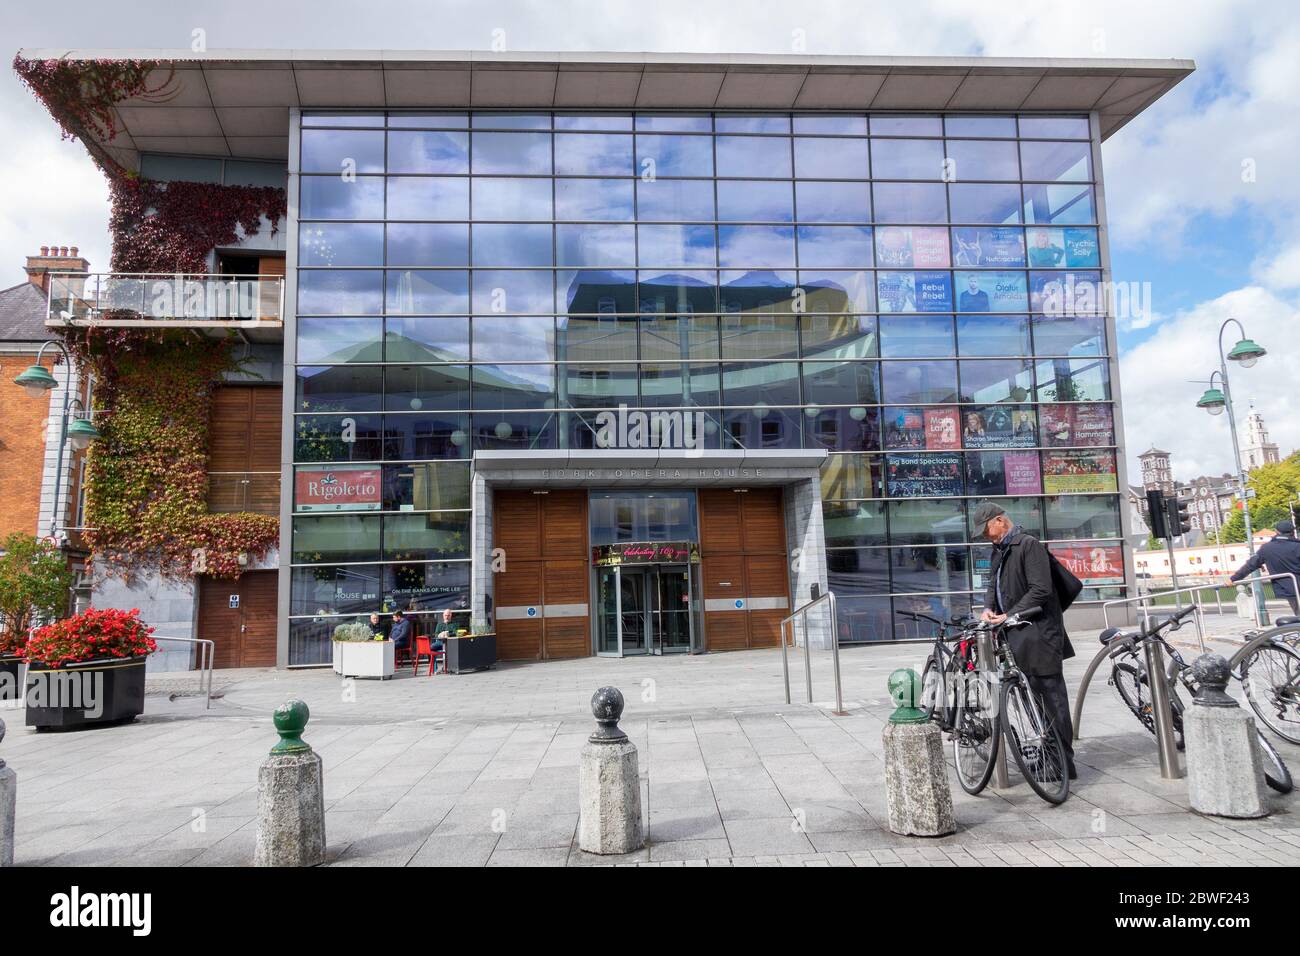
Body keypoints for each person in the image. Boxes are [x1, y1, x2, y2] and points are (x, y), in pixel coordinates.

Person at [974, 500, 1078, 780]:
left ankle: (1062, 765)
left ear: (999, 521)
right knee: (1033, 700)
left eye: (985, 529)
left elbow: (1041, 589)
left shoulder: (1027, 545)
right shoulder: (1000, 550)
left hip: (1040, 635)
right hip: (1017, 636)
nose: (985, 536)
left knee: (1051, 700)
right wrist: (989, 608)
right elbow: (992, 587)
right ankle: (1050, 756)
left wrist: (1010, 613)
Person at [1228, 520, 1300, 616]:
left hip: (1289, 589)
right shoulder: (1297, 546)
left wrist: (1233, 579)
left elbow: (1250, 565)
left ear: (1277, 531)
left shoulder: (1266, 548)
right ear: (1292, 532)